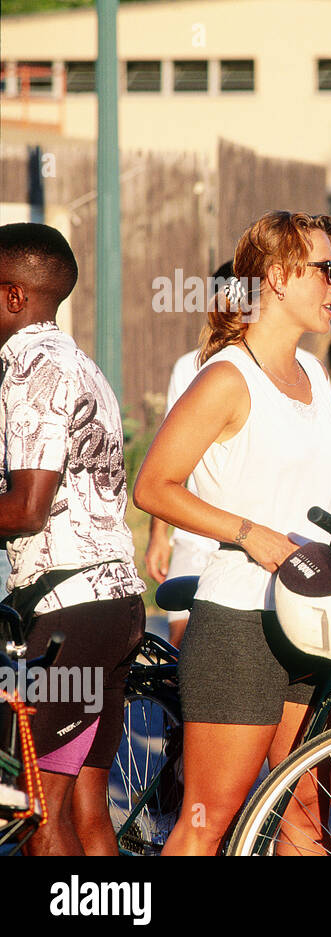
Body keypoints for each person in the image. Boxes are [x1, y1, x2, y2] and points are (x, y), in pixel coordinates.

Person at [133, 210, 331, 855]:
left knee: (307, 817)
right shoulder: (228, 377)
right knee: (207, 821)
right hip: (242, 622)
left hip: (317, 619)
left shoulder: (313, 374)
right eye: (328, 270)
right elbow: (154, 487)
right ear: (280, 277)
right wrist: (249, 533)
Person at [0, 222, 146, 855]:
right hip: (113, 609)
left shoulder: (29, 366)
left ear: (12, 296)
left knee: (31, 812)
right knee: (86, 813)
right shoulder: (80, 363)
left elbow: (28, 509)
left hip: (66, 618)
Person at [143, 262, 232, 645]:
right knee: (179, 654)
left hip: (252, 541)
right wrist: (159, 535)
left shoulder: (294, 370)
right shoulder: (190, 366)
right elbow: (169, 461)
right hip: (195, 534)